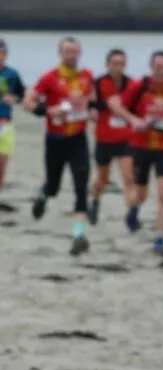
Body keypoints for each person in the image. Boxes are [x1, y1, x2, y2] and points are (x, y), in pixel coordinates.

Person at [109, 49, 163, 257]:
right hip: (140, 146)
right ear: (151, 67)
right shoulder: (140, 86)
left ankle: (159, 239)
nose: (161, 71)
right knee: (140, 194)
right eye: (158, 67)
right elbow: (117, 106)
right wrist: (134, 120)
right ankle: (133, 211)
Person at [22, 36, 95, 255]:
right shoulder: (50, 77)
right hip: (55, 140)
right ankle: (43, 195)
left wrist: (93, 111)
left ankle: (78, 235)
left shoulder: (86, 76)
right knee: (53, 187)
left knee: (81, 187)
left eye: (75, 52)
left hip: (78, 139)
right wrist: (48, 111)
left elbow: (92, 100)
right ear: (60, 54)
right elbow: (27, 102)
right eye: (67, 52)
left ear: (79, 54)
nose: (71, 56)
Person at [88, 48, 135, 226]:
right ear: (107, 65)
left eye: (121, 64)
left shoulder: (132, 84)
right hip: (104, 138)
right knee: (103, 179)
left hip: (125, 138)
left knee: (129, 177)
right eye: (114, 63)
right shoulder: (98, 83)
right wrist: (95, 110)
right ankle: (95, 201)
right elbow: (90, 104)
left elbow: (138, 106)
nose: (118, 67)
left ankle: (131, 214)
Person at [0, 39, 26, 208]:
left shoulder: (12, 74)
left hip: (4, 123)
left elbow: (22, 97)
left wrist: (13, 99)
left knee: (2, 165)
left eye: (1, 53)